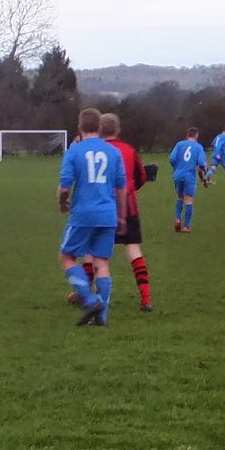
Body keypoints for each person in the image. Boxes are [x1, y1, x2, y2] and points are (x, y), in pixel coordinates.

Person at [57, 108, 127, 326]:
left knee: (67, 257)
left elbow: (65, 187)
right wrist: (122, 216)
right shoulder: (113, 153)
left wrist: (62, 201)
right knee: (102, 263)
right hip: (108, 214)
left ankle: (89, 300)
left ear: (79, 127)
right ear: (99, 128)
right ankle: (102, 316)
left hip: (83, 214)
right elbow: (121, 189)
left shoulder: (74, 152)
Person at [101, 113, 154, 312]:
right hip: (128, 206)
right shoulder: (129, 150)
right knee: (133, 249)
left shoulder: (97, 151)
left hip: (103, 207)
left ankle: (84, 295)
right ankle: (146, 297)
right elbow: (141, 177)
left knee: (94, 253)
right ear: (118, 130)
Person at [168, 127, 207, 233]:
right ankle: (186, 227)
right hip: (189, 176)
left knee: (180, 197)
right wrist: (205, 172)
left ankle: (177, 218)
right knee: (189, 201)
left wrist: (177, 168)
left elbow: (172, 159)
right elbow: (202, 163)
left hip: (177, 175)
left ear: (187, 135)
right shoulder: (198, 147)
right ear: (196, 135)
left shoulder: (179, 144)